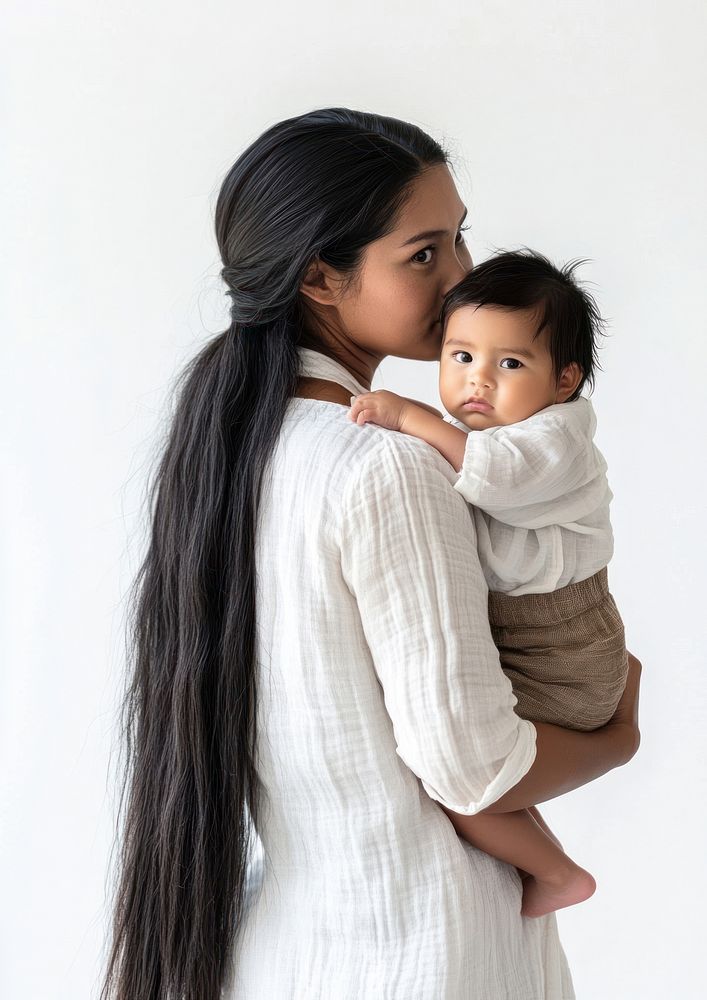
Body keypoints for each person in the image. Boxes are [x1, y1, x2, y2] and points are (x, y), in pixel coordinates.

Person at [100, 108, 641, 1000]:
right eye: (424, 254)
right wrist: (616, 738)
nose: (463, 276)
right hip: (428, 949)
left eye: (459, 239)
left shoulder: (235, 451)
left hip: (292, 945)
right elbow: (473, 766)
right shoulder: (386, 465)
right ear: (320, 276)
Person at [347, 248, 630, 919]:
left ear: (564, 380)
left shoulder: (555, 437)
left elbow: (495, 476)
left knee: (460, 780)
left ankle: (557, 874)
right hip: (542, 642)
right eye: (460, 356)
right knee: (479, 775)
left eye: (509, 364)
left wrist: (412, 418)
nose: (478, 381)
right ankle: (553, 864)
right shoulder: (498, 433)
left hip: (559, 653)